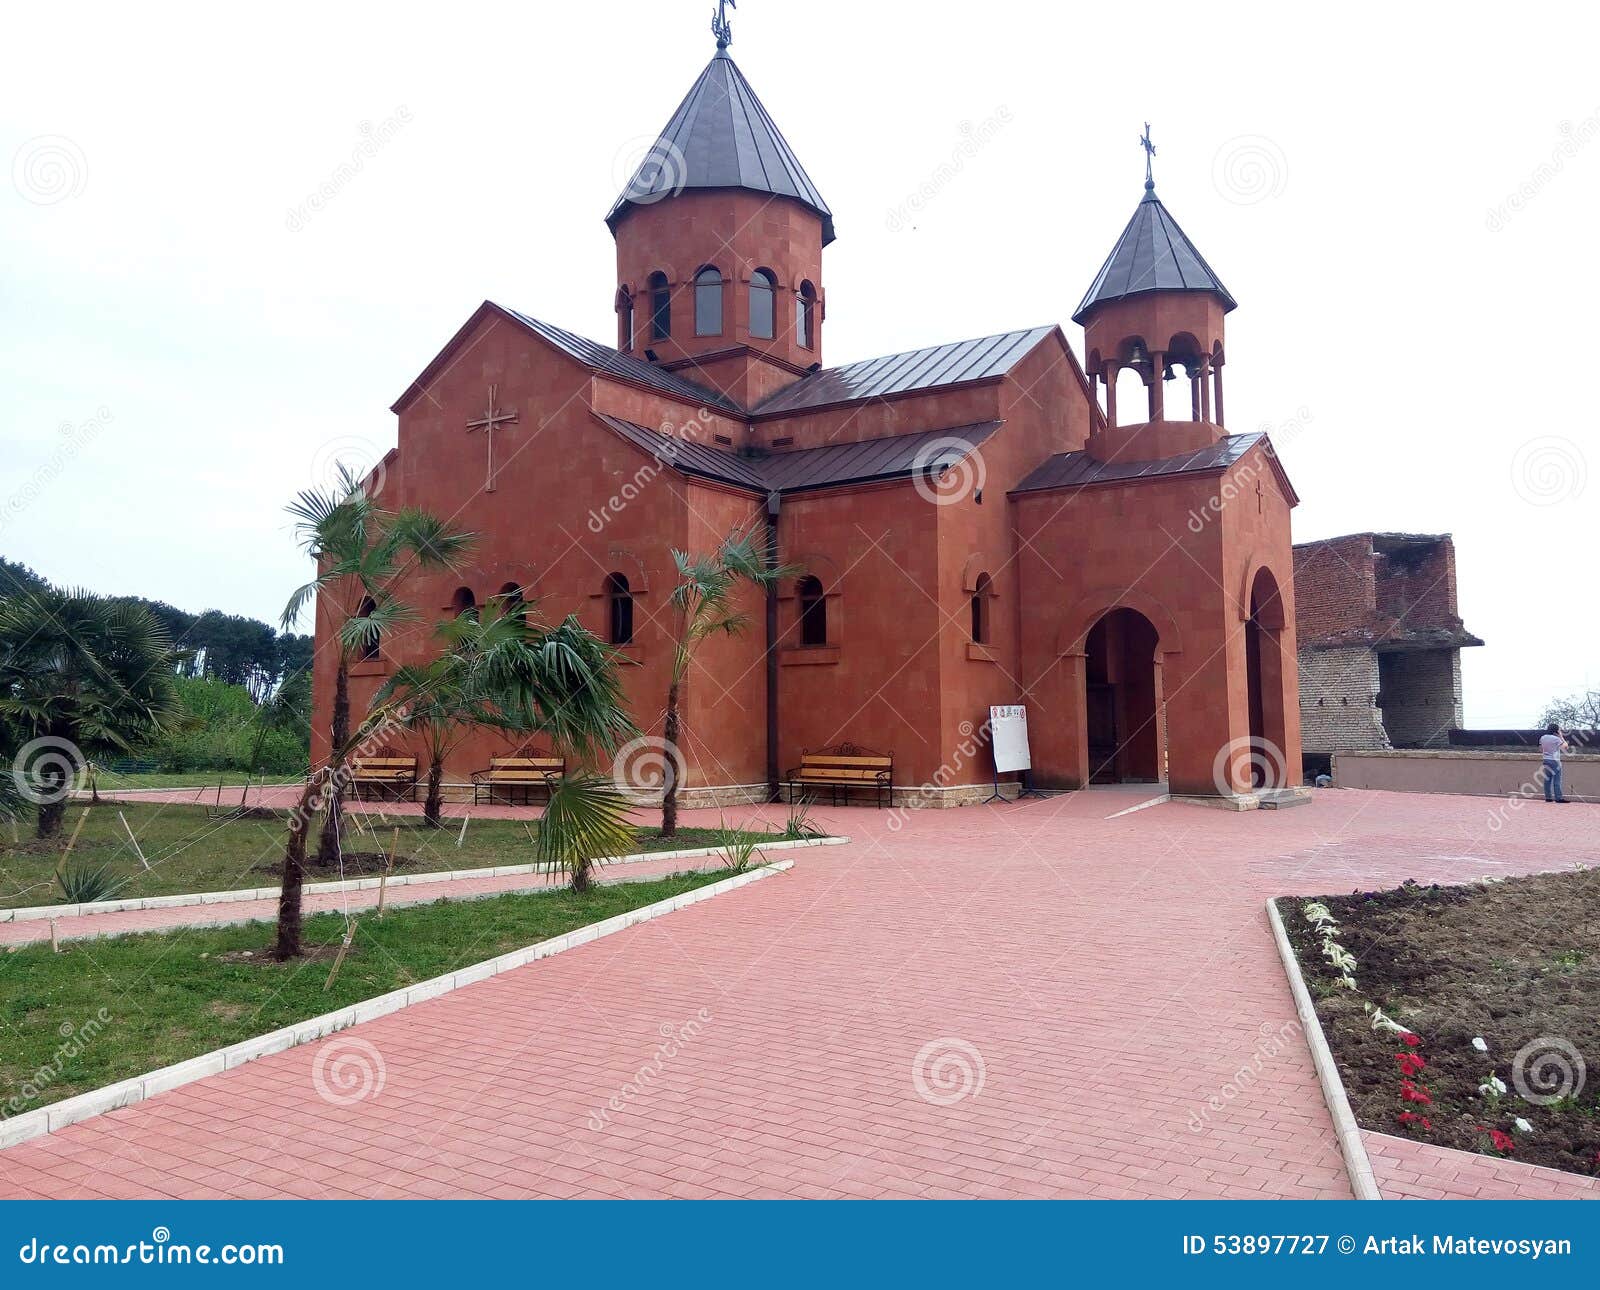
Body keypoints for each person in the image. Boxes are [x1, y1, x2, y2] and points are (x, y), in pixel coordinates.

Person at [1539, 722, 1569, 803]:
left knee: (1547, 779)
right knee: (1557, 779)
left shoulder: (1543, 737)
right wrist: (1561, 736)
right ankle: (1558, 798)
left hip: (1546, 760)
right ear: (1556, 730)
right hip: (1555, 761)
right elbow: (1565, 746)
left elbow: (1541, 749)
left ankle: (1548, 797)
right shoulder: (1556, 739)